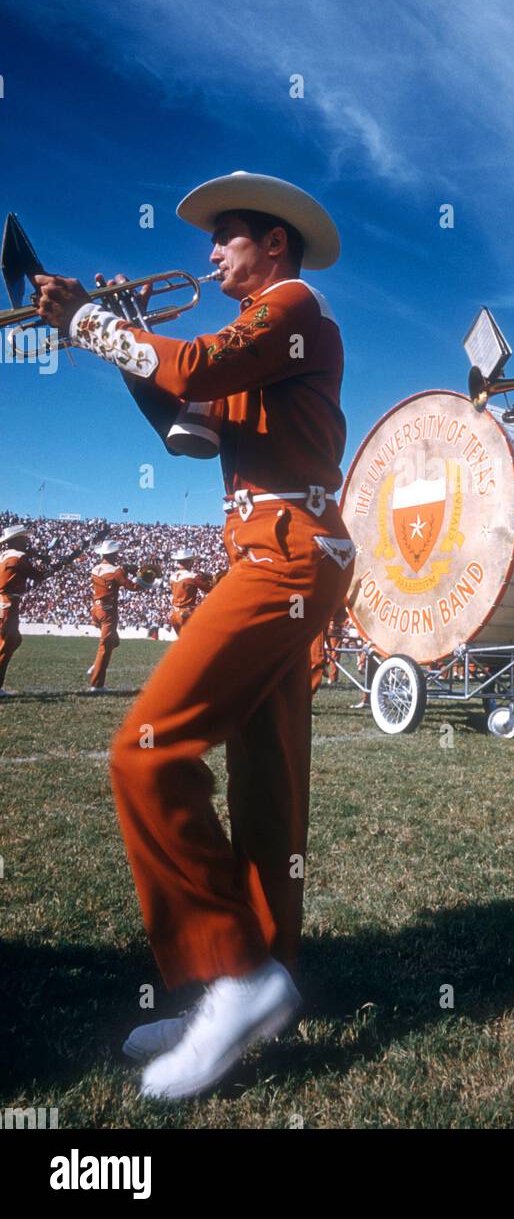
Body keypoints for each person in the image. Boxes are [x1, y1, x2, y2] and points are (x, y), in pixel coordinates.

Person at [34, 170, 356, 1100]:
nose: (210, 253)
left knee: (143, 751)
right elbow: (190, 424)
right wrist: (115, 341)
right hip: (276, 547)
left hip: (288, 551)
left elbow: (194, 367)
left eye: (228, 238)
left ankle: (235, 973)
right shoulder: (263, 338)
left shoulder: (295, 308)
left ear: (276, 247)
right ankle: (259, 977)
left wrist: (90, 324)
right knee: (266, 780)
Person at [87, 540, 141, 691]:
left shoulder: (95, 569)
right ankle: (97, 685)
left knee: (113, 642)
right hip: (108, 610)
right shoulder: (116, 571)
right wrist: (146, 582)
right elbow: (132, 587)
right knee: (105, 646)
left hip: (95, 610)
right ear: (113, 554)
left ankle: (96, 666)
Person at [0, 523, 45, 695]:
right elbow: (37, 575)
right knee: (9, 641)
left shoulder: (4, 556)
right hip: (9, 603)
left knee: (11, 640)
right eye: (24, 538)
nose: (27, 541)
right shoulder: (18, 557)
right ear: (17, 540)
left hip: (4, 602)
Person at [168, 547, 210, 635]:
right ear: (189, 562)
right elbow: (210, 589)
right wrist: (209, 579)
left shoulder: (171, 577)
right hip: (186, 614)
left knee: (181, 643)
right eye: (192, 560)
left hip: (174, 614)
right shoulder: (193, 576)